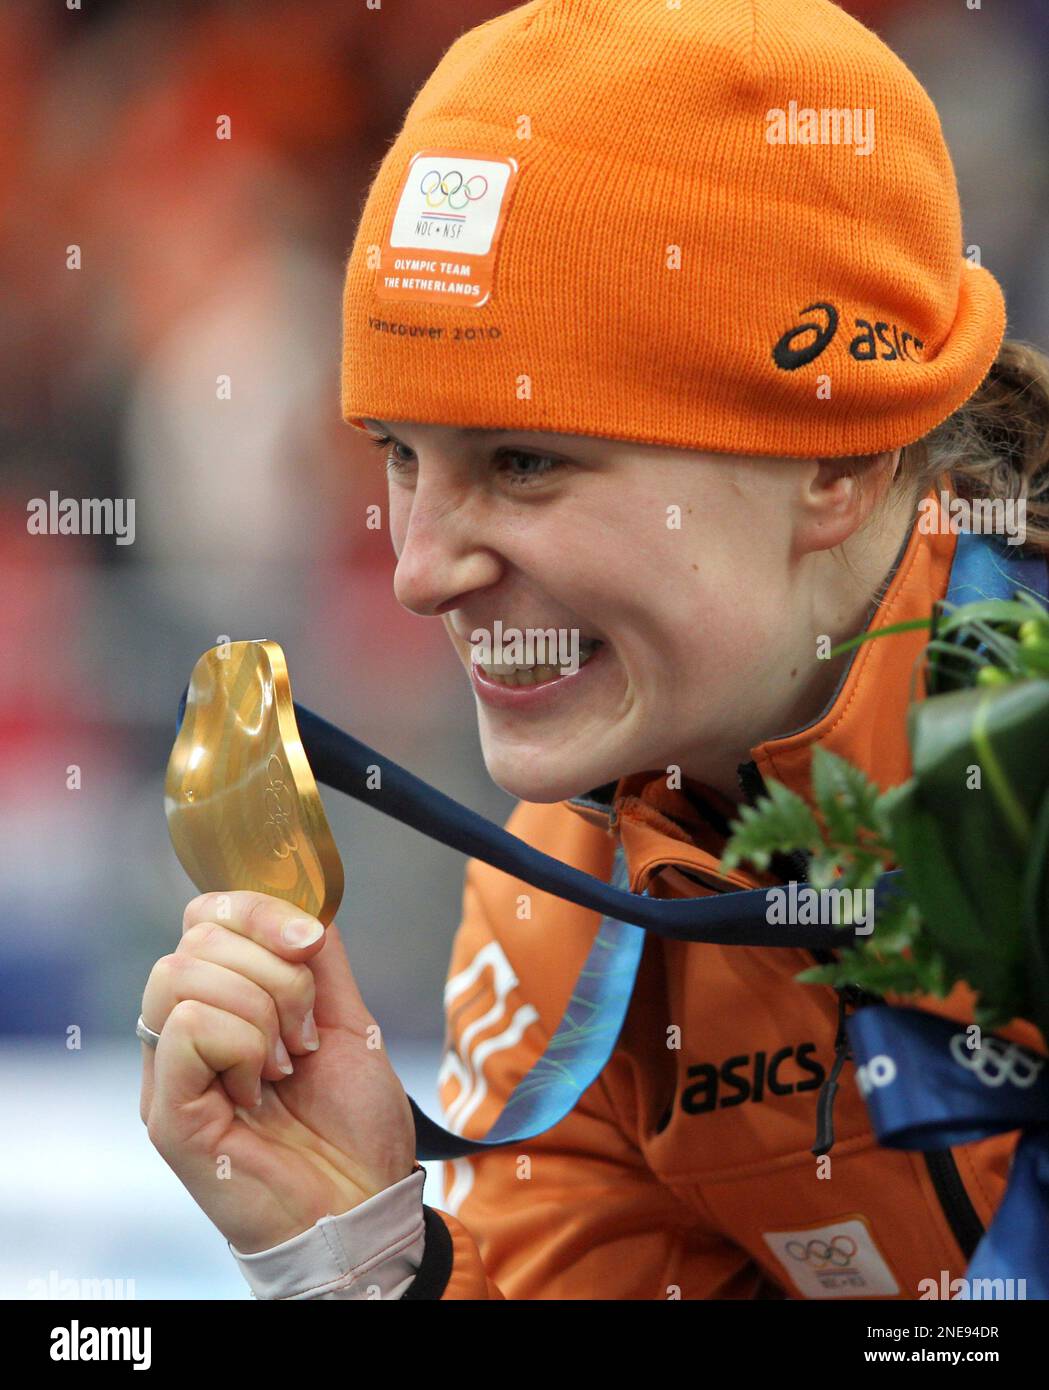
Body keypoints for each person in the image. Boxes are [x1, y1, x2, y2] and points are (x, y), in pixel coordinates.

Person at [139, 0, 1049, 1299]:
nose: (416, 570)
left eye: (521, 461)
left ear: (835, 457)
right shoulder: (564, 914)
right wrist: (355, 1256)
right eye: (400, 455)